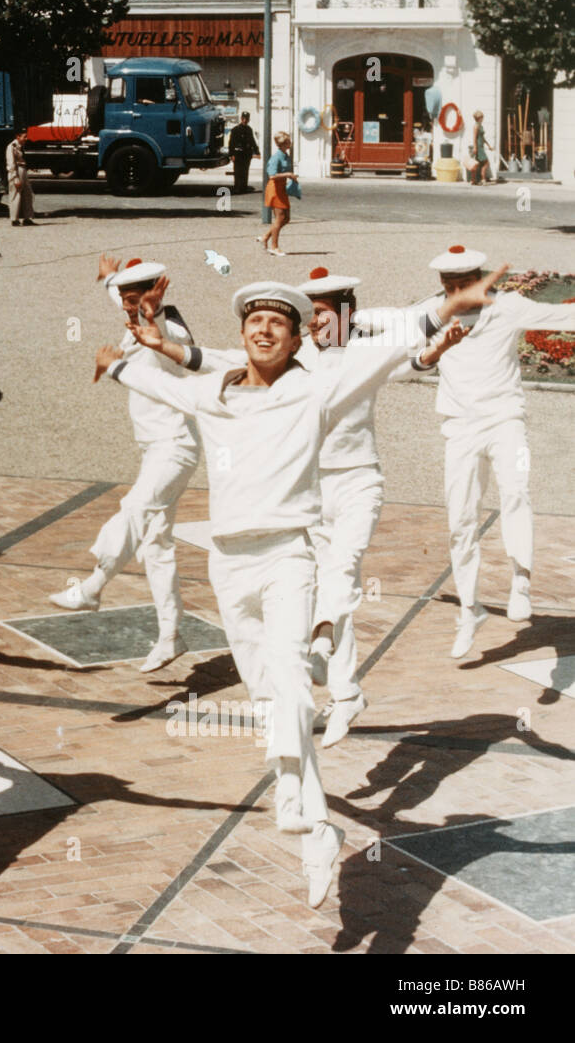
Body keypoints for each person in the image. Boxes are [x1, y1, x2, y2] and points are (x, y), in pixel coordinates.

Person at [95, 276, 486, 906]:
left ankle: (305, 798)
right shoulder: (212, 390)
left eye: (279, 323)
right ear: (243, 332)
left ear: (298, 336)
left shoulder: (316, 386)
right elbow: (155, 381)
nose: (265, 330)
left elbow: (391, 350)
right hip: (227, 566)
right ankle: (318, 831)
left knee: (289, 681)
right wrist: (116, 366)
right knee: (267, 699)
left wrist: (449, 307)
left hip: (287, 557)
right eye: (255, 322)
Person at [294, 267, 446, 746]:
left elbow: (408, 360)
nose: (315, 325)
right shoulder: (295, 355)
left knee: (343, 570)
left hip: (359, 481)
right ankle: (346, 695)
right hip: (311, 491)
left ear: (346, 313)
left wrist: (432, 354)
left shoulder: (366, 350)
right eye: (310, 316)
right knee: (329, 588)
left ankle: (321, 646)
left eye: (322, 315)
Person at [415, 245, 575, 658]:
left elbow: (566, 316)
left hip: (506, 420)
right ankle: (470, 609)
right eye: (448, 287)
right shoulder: (432, 313)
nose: (456, 294)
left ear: (480, 279)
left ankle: (521, 578)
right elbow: (392, 343)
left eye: (463, 285)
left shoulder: (510, 306)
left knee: (516, 491)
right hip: (459, 427)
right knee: (460, 518)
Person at [48, 256, 199, 673]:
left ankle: (94, 586)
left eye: (137, 300)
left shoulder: (169, 326)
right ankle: (171, 636)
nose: (129, 307)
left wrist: (155, 319)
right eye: (126, 301)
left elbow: (178, 345)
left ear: (156, 295)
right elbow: (121, 295)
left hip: (175, 446)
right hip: (153, 449)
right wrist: (108, 279)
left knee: (134, 508)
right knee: (155, 544)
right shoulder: (132, 312)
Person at [258, 133, 297, 257]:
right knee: (280, 218)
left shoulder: (286, 156)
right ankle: (274, 246)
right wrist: (288, 175)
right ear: (283, 144)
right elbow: (272, 175)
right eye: (288, 141)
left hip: (282, 188)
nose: (290, 143)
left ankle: (265, 237)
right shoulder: (276, 157)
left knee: (286, 218)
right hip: (274, 188)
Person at [5, 130, 35, 226]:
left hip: (23, 169)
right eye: (24, 137)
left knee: (27, 194)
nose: (26, 139)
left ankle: (27, 217)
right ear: (18, 137)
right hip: (17, 170)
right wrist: (15, 178)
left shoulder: (21, 146)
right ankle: (14, 219)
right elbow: (11, 163)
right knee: (16, 194)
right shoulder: (12, 147)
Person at [228, 112, 259, 194]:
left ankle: (244, 187)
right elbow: (231, 143)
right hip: (238, 153)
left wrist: (257, 151)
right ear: (241, 119)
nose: (245, 120)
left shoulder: (249, 129)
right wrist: (231, 154)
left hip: (246, 154)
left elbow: (252, 141)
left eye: (246, 119)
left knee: (245, 171)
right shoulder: (235, 129)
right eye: (243, 118)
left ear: (248, 120)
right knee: (238, 171)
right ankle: (237, 187)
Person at [468, 111, 493, 186]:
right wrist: (475, 147)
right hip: (478, 147)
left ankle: (473, 180)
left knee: (477, 164)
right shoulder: (476, 126)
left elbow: (482, 137)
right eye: (482, 117)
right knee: (486, 163)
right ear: (479, 118)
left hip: (481, 146)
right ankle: (483, 179)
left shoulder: (480, 125)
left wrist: (488, 145)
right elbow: (474, 137)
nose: (483, 118)